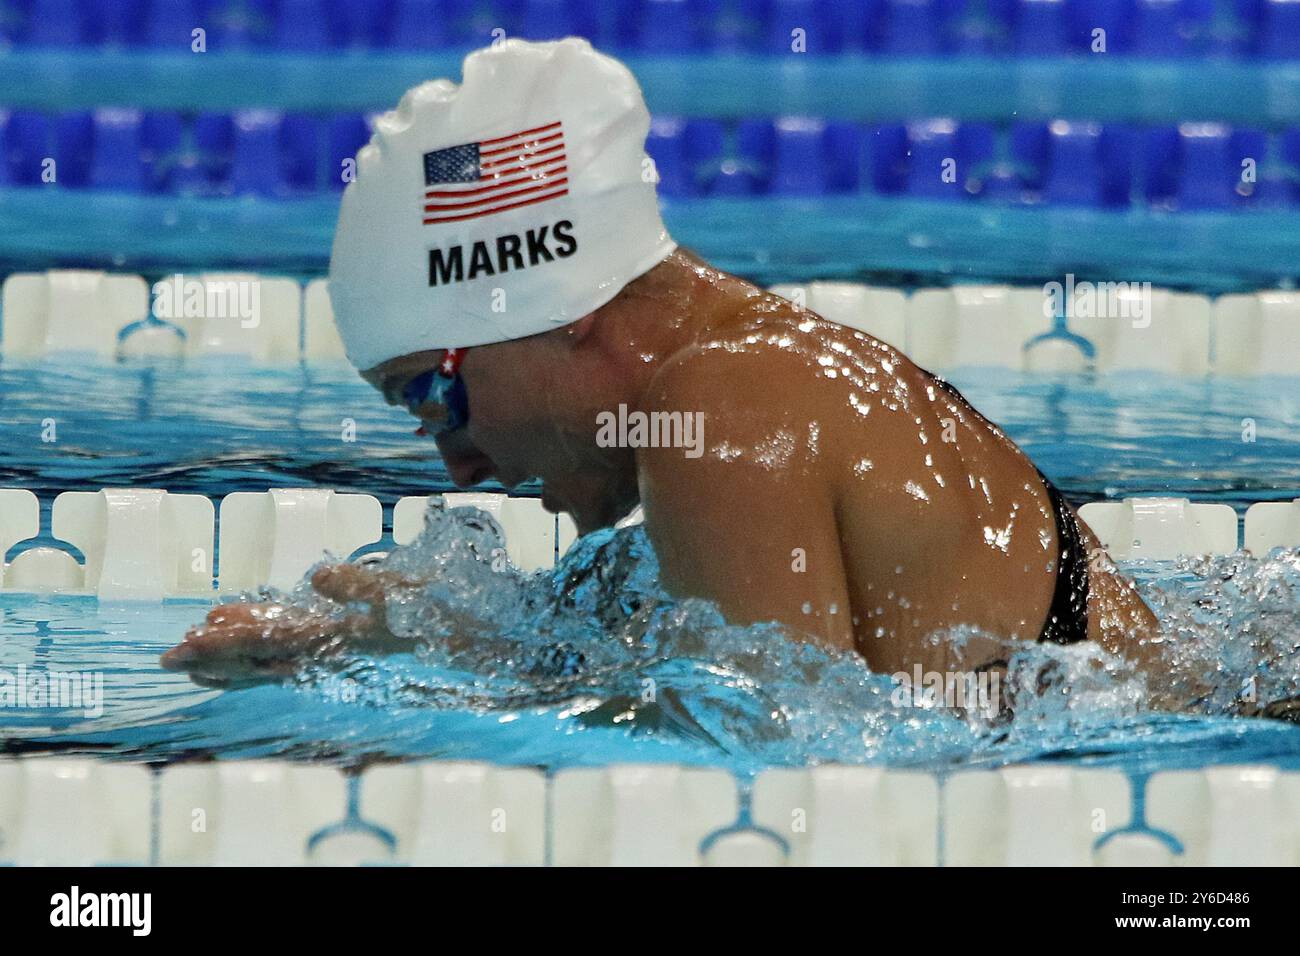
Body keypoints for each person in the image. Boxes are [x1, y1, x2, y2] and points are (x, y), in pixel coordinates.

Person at [162, 38, 1160, 691]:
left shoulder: (721, 404)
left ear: (559, 312)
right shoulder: (754, 372)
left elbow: (783, 763)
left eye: (433, 394)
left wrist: (435, 663)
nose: (456, 462)